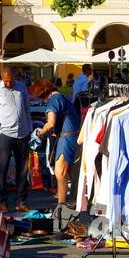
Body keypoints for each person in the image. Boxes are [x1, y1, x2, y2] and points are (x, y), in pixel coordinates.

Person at [0, 66, 32, 211]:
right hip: (5, 135)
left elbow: (26, 108)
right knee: (2, 169)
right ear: (2, 78)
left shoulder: (21, 87)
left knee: (23, 169)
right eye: (6, 81)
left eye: (10, 81)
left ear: (14, 77)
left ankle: (21, 201)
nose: (8, 84)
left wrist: (29, 128)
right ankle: (1, 201)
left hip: (23, 134)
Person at [32, 78, 80, 206]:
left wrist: (39, 133)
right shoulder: (61, 97)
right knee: (70, 173)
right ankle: (73, 202)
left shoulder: (53, 100)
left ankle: (61, 205)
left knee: (60, 172)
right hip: (72, 136)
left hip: (66, 137)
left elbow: (51, 123)